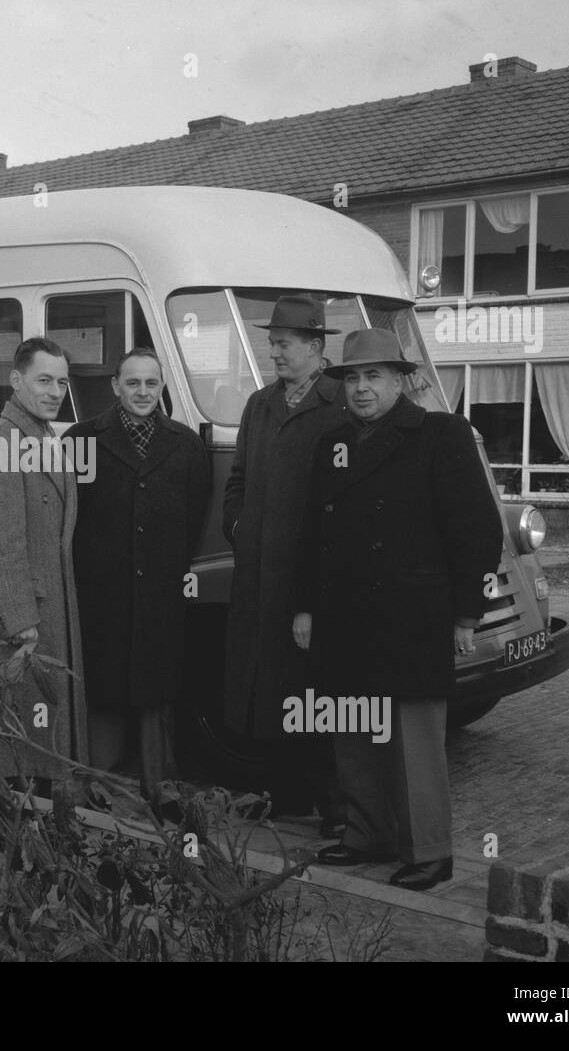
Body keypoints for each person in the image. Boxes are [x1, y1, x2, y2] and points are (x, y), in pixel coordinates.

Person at [292, 328, 503, 891]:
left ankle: (429, 852)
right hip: (343, 615)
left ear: (401, 380)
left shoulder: (441, 434)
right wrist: (305, 609)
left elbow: (477, 530)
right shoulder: (332, 442)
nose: (361, 388)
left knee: (412, 742)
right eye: (353, 377)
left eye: (374, 376)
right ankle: (366, 834)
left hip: (413, 615)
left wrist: (466, 613)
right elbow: (314, 535)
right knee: (355, 732)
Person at [221, 293, 348, 829]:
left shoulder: (342, 401)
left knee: (314, 688)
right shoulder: (260, 403)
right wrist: (240, 528)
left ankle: (334, 806)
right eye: (271, 343)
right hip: (258, 576)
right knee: (266, 688)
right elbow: (239, 482)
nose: (273, 352)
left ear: (316, 348)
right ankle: (283, 796)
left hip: (312, 581)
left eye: (283, 343)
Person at [69, 348, 210, 803]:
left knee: (158, 689)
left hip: (160, 592)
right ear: (115, 386)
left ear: (163, 385)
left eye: (151, 383)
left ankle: (159, 787)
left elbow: (194, 513)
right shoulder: (81, 439)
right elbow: (69, 520)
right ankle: (98, 786)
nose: (143, 392)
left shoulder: (186, 443)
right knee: (103, 687)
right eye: (133, 383)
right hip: (101, 593)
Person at [0, 337, 86, 787]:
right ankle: (19, 828)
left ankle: (44, 820)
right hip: (22, 617)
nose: (54, 392)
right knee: (17, 740)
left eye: (62, 383)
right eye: (44, 380)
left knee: (38, 731)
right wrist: (20, 619)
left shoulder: (42, 435)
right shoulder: (2, 440)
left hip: (45, 606)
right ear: (16, 381)